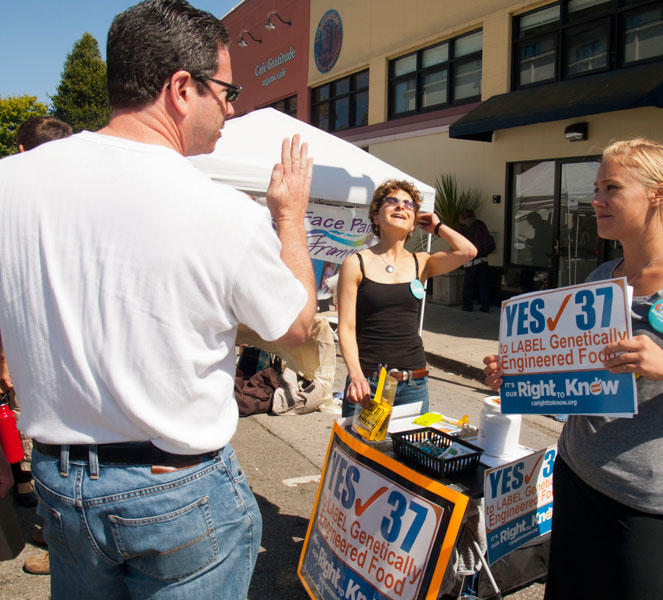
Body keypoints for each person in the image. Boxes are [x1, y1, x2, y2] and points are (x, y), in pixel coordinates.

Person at [0, 0, 315, 597]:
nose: (232, 106)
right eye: (226, 89)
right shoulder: (220, 210)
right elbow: (296, 326)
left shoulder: (10, 184)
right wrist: (290, 219)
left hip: (61, 486)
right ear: (179, 88)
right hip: (174, 487)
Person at [483, 138, 663, 600]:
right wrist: (520, 375)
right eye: (597, 188)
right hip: (575, 476)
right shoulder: (600, 278)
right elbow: (575, 376)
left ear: (658, 194)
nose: (597, 200)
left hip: (646, 500)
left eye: (612, 187)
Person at [1, 115, 74, 576]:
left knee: (51, 437)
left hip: (40, 348)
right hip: (66, 348)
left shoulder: (13, 197)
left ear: (23, 153)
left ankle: (55, 537)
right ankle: (52, 529)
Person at [338, 179, 476, 418]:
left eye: (408, 204)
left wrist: (438, 226)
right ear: (376, 217)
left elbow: (468, 251)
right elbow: (346, 328)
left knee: (408, 454)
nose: (400, 206)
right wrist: (356, 375)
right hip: (368, 384)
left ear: (414, 223)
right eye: (391, 201)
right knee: (362, 453)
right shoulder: (356, 263)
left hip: (414, 383)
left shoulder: (421, 262)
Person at [458, 208, 493, 312]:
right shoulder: (480, 224)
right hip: (483, 258)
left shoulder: (462, 227)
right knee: (483, 284)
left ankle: (467, 306)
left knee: (468, 284)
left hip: (470, 259)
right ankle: (485, 306)